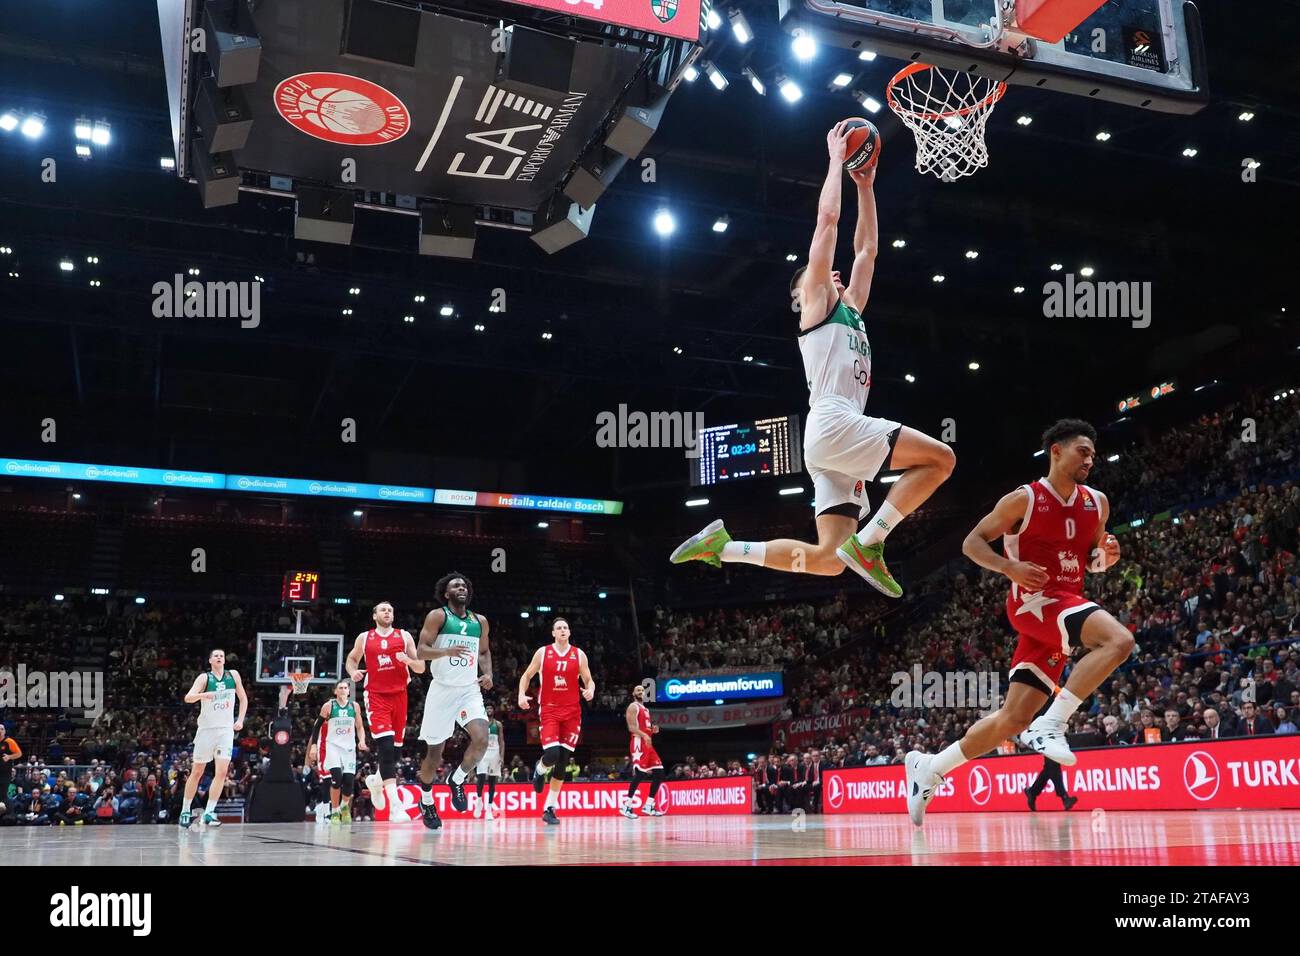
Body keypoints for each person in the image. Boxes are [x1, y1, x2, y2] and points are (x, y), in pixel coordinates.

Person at [670, 124, 954, 598]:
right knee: (941, 460)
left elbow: (867, 249)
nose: (833, 273)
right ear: (804, 293)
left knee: (828, 562)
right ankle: (874, 541)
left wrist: (866, 187)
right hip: (836, 425)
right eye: (820, 274)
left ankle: (723, 546)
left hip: (830, 443)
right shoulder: (817, 308)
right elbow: (827, 223)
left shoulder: (852, 312)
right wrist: (834, 163)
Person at [904, 420, 1131, 826]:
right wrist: (1008, 566)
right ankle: (1054, 723)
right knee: (1119, 641)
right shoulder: (1023, 499)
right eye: (1083, 450)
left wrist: (1106, 557)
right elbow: (971, 542)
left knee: (1012, 719)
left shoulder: (1098, 502)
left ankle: (931, 768)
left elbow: (1092, 558)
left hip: (1065, 604)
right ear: (1056, 451)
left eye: (1094, 454)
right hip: (1033, 604)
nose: (1090, 459)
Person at [413, 573, 490, 830]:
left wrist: (487, 673)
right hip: (442, 690)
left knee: (482, 738)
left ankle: (456, 780)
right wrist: (446, 651)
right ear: (446, 593)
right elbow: (421, 650)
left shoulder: (480, 621)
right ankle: (426, 800)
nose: (461, 587)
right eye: (455, 585)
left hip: (468, 689)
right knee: (434, 755)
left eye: (464, 585)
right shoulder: (438, 616)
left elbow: (484, 651)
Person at [348, 601, 425, 820]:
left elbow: (421, 667)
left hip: (400, 695)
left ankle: (376, 782)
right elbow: (352, 659)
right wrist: (353, 672)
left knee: (396, 753)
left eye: (390, 610)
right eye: (383, 610)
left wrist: (408, 660)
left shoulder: (404, 636)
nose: (387, 612)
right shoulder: (365, 638)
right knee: (386, 748)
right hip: (376, 696)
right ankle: (395, 807)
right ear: (374, 615)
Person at [518, 616, 596, 825]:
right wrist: (520, 694)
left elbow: (588, 679)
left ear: (569, 632)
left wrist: (590, 690)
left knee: (563, 763)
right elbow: (526, 675)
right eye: (559, 628)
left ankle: (549, 808)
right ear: (553, 633)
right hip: (550, 710)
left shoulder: (579, 655)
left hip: (572, 712)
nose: (562, 630)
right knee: (552, 754)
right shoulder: (543, 652)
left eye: (565, 627)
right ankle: (540, 768)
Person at [179, 649, 248, 828]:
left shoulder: (233, 675)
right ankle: (185, 810)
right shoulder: (204, 678)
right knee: (197, 772)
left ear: (224, 660)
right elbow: (188, 698)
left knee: (222, 772)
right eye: (215, 655)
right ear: (210, 660)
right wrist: (203, 695)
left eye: (221, 655)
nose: (219, 657)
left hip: (225, 730)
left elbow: (243, 698)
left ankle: (209, 812)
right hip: (206, 730)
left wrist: (239, 720)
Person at [319, 679, 367, 824]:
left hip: (349, 748)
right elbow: (316, 728)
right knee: (337, 778)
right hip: (333, 747)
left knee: (348, 781)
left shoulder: (354, 706)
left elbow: (359, 727)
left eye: (345, 687)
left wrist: (362, 741)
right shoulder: (329, 706)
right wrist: (314, 746)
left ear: (349, 691)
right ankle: (334, 812)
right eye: (340, 687)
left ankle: (344, 806)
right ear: (335, 691)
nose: (343, 690)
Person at [620, 683, 665, 819]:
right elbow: (632, 728)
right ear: (634, 694)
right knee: (640, 774)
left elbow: (645, 728)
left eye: (642, 690)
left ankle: (648, 805)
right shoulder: (633, 707)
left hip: (648, 743)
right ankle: (626, 806)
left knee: (659, 772)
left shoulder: (645, 709)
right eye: (637, 690)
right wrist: (645, 735)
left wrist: (652, 731)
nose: (640, 691)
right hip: (639, 742)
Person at [473, 703, 505, 821]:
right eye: (487, 708)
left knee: (492, 783)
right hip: (483, 754)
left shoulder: (498, 724)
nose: (489, 710)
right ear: (484, 710)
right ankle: (479, 801)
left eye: (491, 708)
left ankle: (489, 809)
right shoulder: (480, 723)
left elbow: (502, 741)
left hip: (495, 754)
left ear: (494, 710)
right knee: (480, 779)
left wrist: (501, 756)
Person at [0, 724, 20, 817]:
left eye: (2, 729)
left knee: (3, 795)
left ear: (5, 731)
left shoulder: (9, 741)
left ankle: (12, 815)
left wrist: (9, 757)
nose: (0, 730)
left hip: (5, 772)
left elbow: (19, 753)